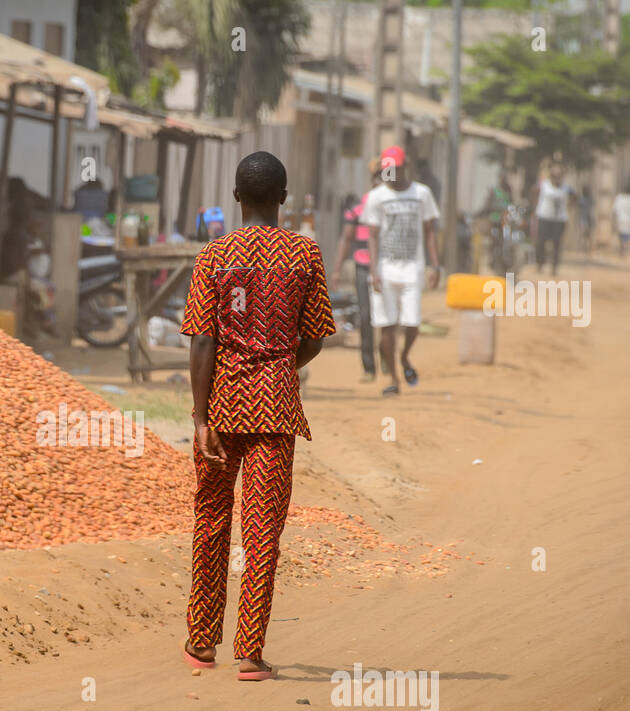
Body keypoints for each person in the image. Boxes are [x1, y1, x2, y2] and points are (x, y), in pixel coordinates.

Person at [180, 151, 335, 681]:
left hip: (222, 406)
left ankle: (201, 642)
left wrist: (201, 419)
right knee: (263, 530)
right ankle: (249, 652)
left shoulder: (215, 256)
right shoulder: (305, 254)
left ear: (236, 197)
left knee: (212, 521)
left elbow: (203, 339)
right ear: (283, 199)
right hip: (275, 406)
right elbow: (314, 336)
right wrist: (278, 367)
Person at [361, 145, 440, 397]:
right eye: (386, 171)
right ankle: (394, 378)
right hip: (385, 269)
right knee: (386, 325)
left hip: (412, 268)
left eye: (394, 170)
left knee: (412, 322)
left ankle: (405, 357)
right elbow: (372, 236)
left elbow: (429, 232)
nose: (390, 176)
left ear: (405, 168)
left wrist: (435, 265)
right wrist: (373, 270)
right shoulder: (376, 197)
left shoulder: (422, 194)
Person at [333, 158, 385, 381]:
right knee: (365, 315)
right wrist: (335, 271)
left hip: (388, 268)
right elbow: (346, 239)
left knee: (387, 317)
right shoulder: (358, 209)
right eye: (378, 177)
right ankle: (369, 367)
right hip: (363, 266)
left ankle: (388, 361)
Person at [533, 163, 572, 275]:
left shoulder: (566, 188)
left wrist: (568, 207)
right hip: (544, 217)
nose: (557, 178)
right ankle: (540, 263)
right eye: (554, 176)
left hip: (559, 220)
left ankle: (554, 267)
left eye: (559, 176)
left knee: (557, 244)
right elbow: (534, 193)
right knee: (540, 242)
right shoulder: (543, 185)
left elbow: (574, 198)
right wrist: (535, 208)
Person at [612, 184, 630, 256]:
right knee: (627, 235)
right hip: (629, 220)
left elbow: (615, 210)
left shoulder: (619, 198)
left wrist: (614, 220)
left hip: (620, 219)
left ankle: (622, 247)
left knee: (621, 234)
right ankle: (625, 247)